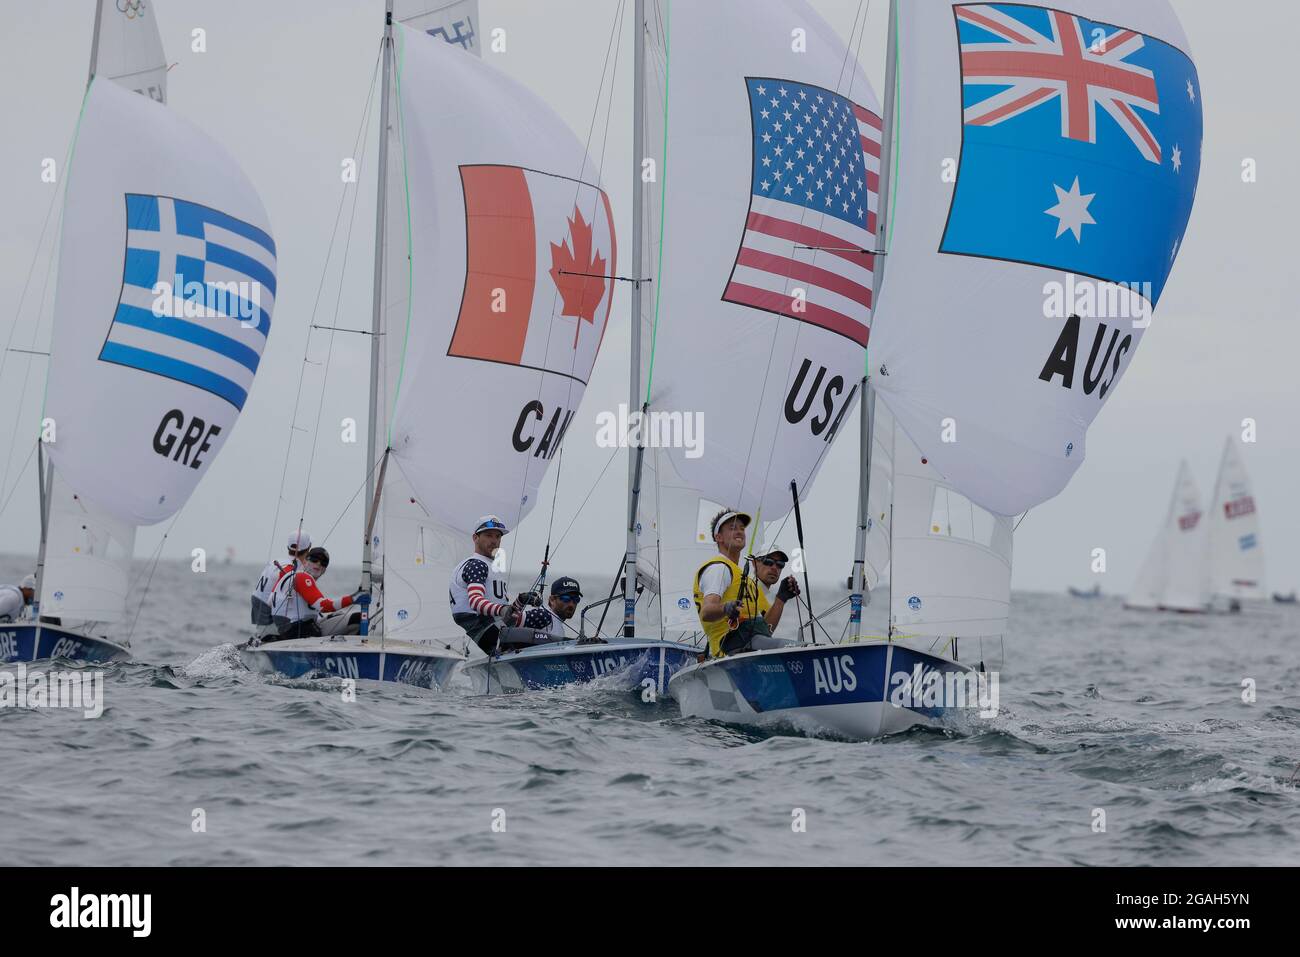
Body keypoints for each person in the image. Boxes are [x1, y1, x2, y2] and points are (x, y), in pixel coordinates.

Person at [449, 515, 528, 654]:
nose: (494, 541)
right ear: (475, 538)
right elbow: (475, 602)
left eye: (498, 537)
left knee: (539, 620)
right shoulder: (476, 565)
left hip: (493, 625)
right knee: (538, 627)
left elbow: (504, 611)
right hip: (481, 627)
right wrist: (503, 609)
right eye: (489, 535)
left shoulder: (491, 566)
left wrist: (521, 601)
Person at [267, 546, 366, 641]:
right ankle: (353, 655)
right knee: (357, 619)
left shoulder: (291, 576)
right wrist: (354, 598)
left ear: (324, 571)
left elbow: (270, 601)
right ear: (305, 562)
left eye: (323, 563)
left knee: (339, 615)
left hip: (288, 632)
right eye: (314, 560)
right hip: (299, 633)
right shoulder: (303, 577)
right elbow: (324, 606)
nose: (318, 564)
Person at [251, 531, 311, 627]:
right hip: (268, 615)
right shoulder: (292, 569)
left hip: (257, 610)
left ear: (288, 547)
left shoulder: (276, 562)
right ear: (309, 549)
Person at [749, 543, 801, 636]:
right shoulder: (745, 589)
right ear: (754, 563)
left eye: (780, 564)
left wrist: (780, 600)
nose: (774, 567)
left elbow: (764, 633)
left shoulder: (766, 602)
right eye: (768, 561)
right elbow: (752, 638)